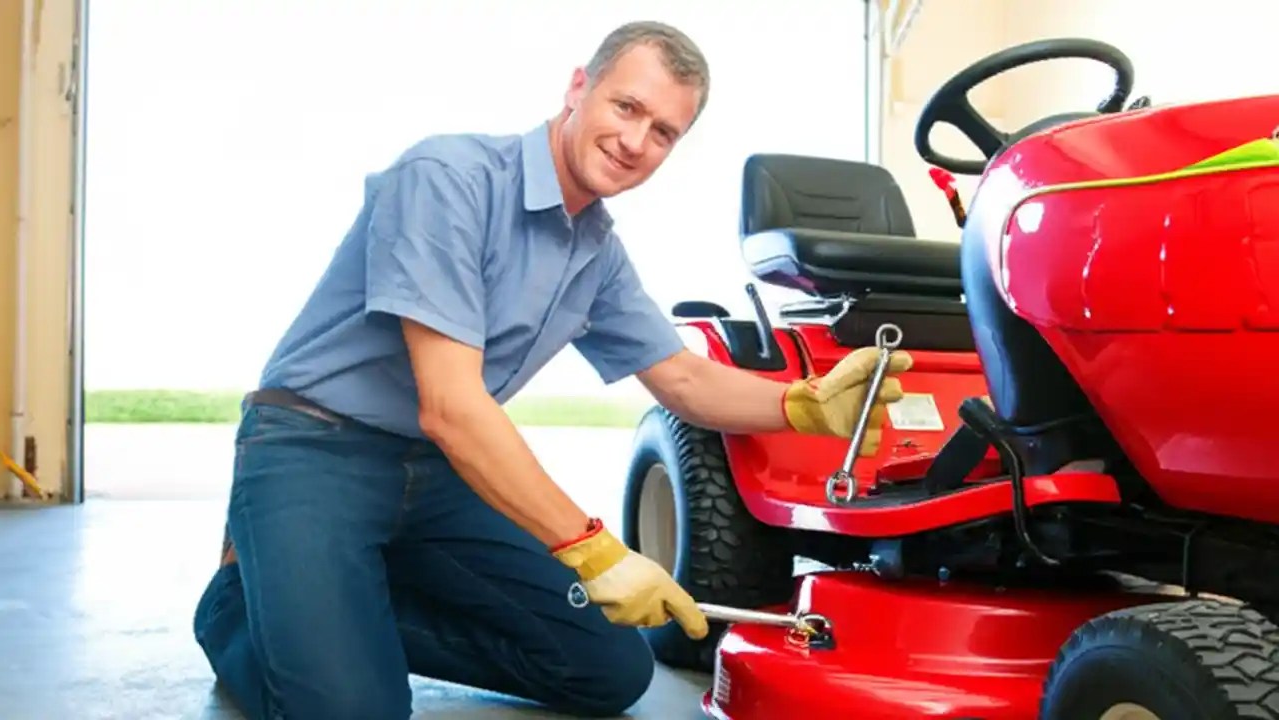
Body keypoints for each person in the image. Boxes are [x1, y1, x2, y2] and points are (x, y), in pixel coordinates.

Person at [192, 19, 911, 720]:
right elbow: (450, 405)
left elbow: (684, 380)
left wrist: (804, 405)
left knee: (609, 667)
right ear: (578, 88)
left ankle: (341, 614)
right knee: (355, 710)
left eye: (663, 132)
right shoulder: (448, 178)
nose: (636, 141)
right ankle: (242, 603)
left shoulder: (595, 250)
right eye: (627, 107)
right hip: (314, 448)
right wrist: (592, 547)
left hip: (433, 473)